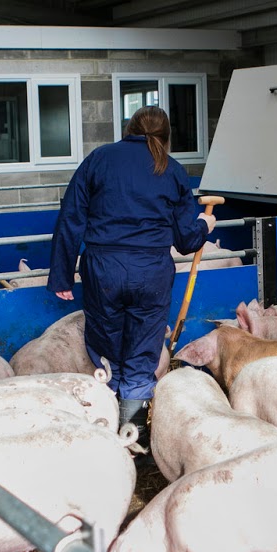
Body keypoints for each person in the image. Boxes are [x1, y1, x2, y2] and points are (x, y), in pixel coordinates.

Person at [47, 105, 214, 437]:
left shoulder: (99, 159)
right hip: (150, 274)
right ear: (166, 138)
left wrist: (62, 275)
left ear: (129, 129)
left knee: (108, 358)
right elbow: (184, 241)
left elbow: (71, 218)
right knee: (141, 362)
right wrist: (203, 225)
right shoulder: (174, 170)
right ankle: (133, 445)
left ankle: (107, 435)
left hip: (104, 272)